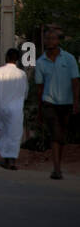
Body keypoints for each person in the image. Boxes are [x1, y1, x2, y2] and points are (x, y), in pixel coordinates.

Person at [34, 27, 79, 180]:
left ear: (58, 41)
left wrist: (76, 102)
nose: (49, 41)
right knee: (55, 134)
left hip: (66, 103)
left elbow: (75, 82)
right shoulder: (40, 62)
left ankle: (58, 165)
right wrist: (39, 110)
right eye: (47, 39)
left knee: (61, 136)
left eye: (53, 38)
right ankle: (57, 169)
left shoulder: (69, 59)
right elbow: (39, 88)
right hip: (49, 102)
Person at [0, 48, 28, 170]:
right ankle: (12, 160)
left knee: (2, 133)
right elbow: (25, 94)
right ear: (17, 59)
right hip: (16, 109)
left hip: (1, 107)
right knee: (14, 134)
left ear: (7, 57)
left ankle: (4, 158)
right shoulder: (22, 74)